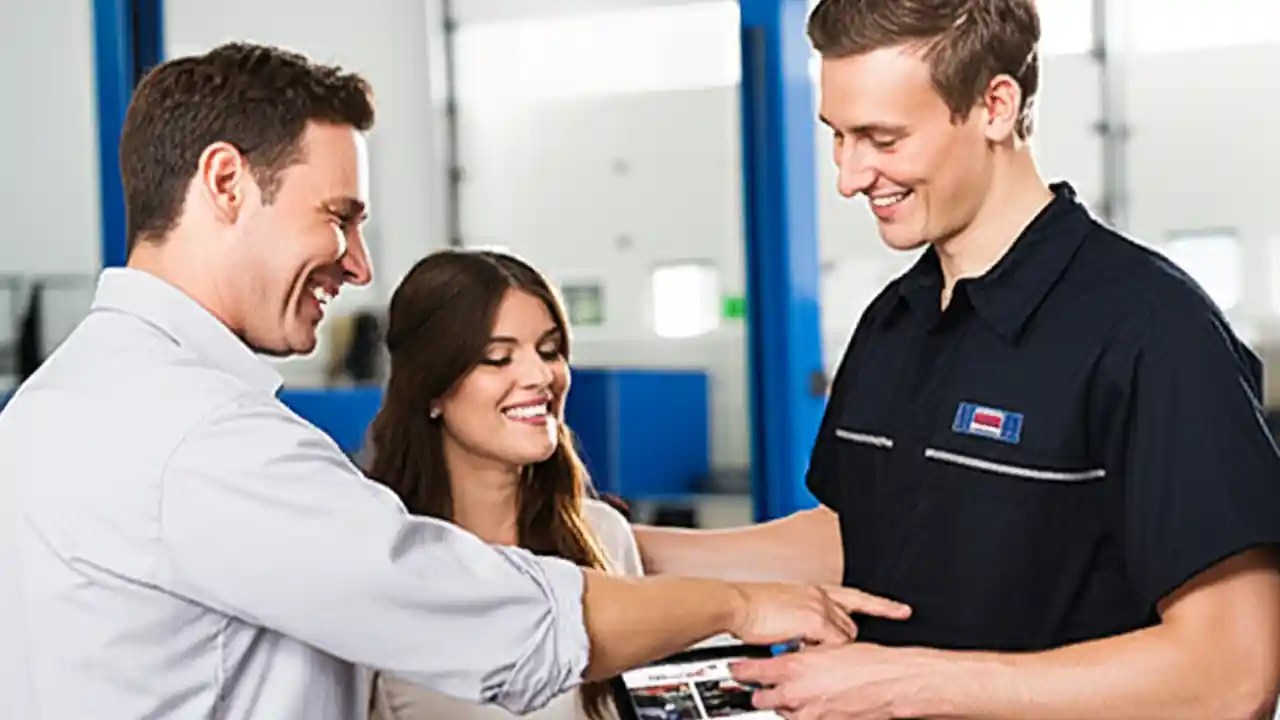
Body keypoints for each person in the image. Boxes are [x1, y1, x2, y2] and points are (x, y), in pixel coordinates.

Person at [0, 43, 912, 719]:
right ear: (226, 182)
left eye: (549, 348)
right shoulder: (205, 441)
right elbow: (507, 624)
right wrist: (742, 606)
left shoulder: (51, 409)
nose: (358, 265)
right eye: (340, 218)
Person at [636, 1, 1280, 718]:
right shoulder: (896, 318)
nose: (850, 177)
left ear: (995, 106)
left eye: (882, 138)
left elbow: (1232, 673)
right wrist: (616, 549)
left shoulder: (1152, 330)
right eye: (838, 138)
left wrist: (909, 684)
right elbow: (865, 536)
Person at [364, 248, 643, 720]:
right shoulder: (379, 561)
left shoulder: (603, 536)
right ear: (432, 389)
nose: (540, 377)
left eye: (550, 351)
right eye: (498, 359)